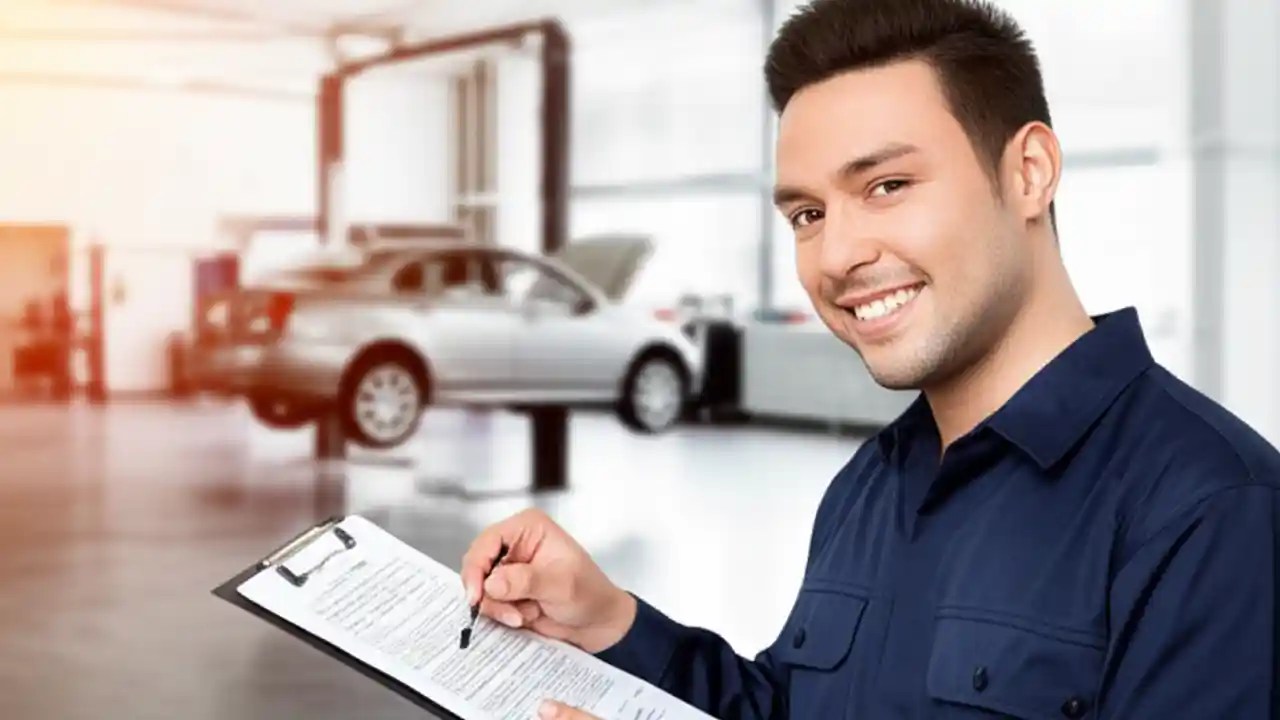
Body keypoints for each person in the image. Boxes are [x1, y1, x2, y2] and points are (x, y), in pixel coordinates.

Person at [462, 0, 1280, 717]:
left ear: (1028, 174)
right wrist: (608, 622)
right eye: (808, 213)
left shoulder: (1210, 509)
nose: (837, 254)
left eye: (887, 185)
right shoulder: (872, 483)